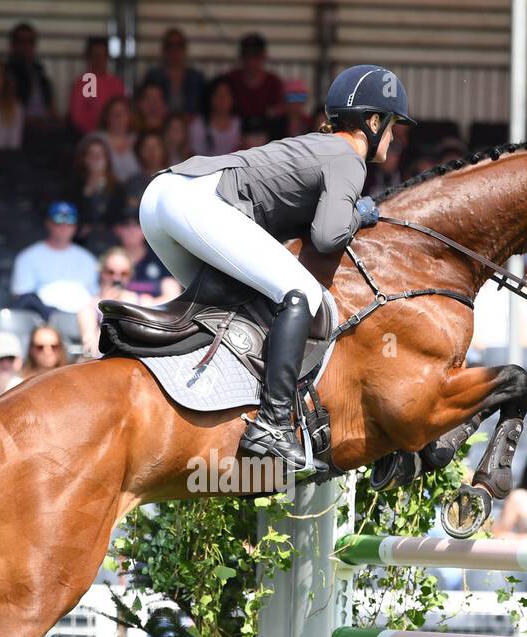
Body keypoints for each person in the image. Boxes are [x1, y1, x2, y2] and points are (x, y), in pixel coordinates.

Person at [139, 64, 415, 474]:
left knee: (232, 310)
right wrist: (360, 212)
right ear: (373, 122)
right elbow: (327, 236)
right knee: (298, 295)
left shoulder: (319, 146)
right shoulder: (347, 156)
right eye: (392, 126)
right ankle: (271, 425)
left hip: (161, 198)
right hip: (195, 202)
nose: (393, 137)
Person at [10, 201, 99, 316]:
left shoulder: (88, 258)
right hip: (44, 322)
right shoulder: (27, 256)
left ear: (76, 225)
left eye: (70, 219)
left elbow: (95, 295)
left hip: (83, 321)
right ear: (48, 223)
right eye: (58, 219)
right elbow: (22, 298)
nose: (64, 225)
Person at [79, 248, 147, 357]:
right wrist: (105, 312)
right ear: (102, 272)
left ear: (130, 274)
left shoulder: (142, 302)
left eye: (123, 273)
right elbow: (91, 350)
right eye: (110, 272)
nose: (116, 278)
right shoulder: (88, 308)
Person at [140, 27, 205, 117]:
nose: (174, 50)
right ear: (164, 49)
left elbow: (202, 107)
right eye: (170, 45)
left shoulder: (196, 78)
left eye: (179, 45)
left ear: (185, 49)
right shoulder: (153, 76)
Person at [68, 37, 124, 137]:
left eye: (103, 55)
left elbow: (123, 111)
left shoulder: (116, 83)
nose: (99, 59)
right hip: (91, 136)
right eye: (96, 55)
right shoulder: (84, 82)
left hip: (116, 134)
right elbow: (78, 117)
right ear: (89, 57)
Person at [225, 33, 284, 122]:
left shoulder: (274, 82)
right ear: (241, 57)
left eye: (256, 56)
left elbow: (280, 110)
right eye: (247, 56)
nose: (251, 62)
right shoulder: (230, 80)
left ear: (264, 57)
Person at [6, 23, 56, 124]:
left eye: (30, 42)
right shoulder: (6, 73)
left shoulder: (40, 74)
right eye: (22, 42)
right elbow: (6, 108)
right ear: (13, 45)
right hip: (20, 126)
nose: (26, 46)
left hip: (44, 124)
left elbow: (51, 108)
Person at [189, 78, 242, 158]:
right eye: (218, 95)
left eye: (226, 95)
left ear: (233, 98)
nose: (222, 100)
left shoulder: (240, 124)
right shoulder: (198, 125)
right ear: (210, 99)